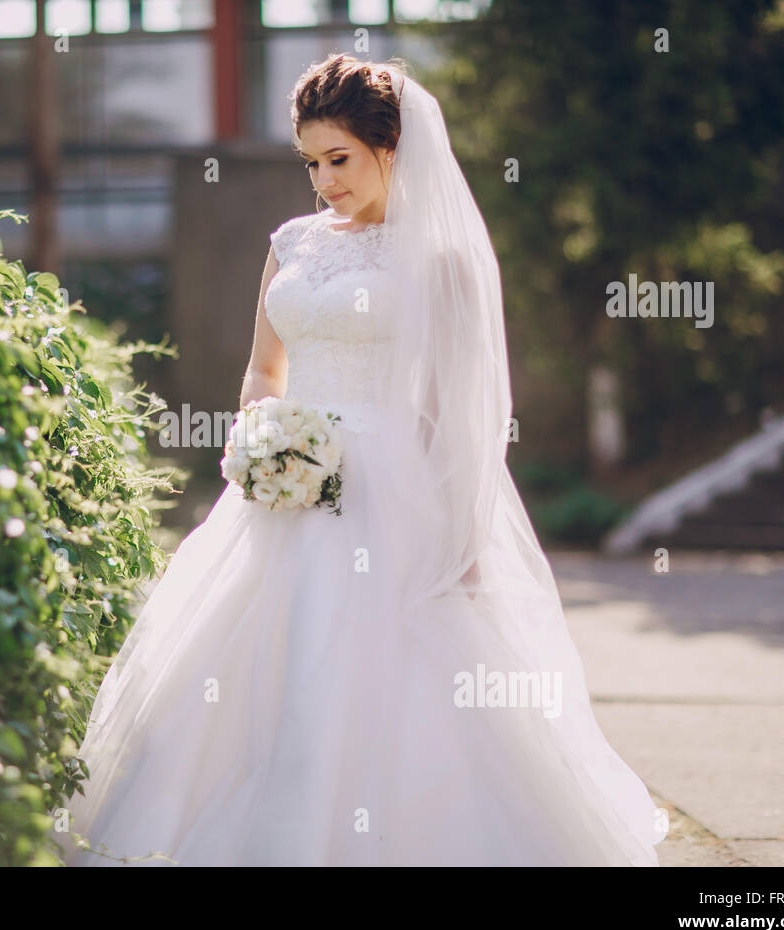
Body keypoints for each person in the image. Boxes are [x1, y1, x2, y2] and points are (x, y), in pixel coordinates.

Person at [54, 54, 664, 866]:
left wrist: (464, 540)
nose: (323, 181)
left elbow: (457, 413)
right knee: (249, 676)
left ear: (392, 147)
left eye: (339, 159)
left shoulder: (439, 258)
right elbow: (263, 370)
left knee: (388, 678)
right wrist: (261, 445)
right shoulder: (293, 244)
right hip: (279, 496)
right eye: (311, 162)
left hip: (392, 493)